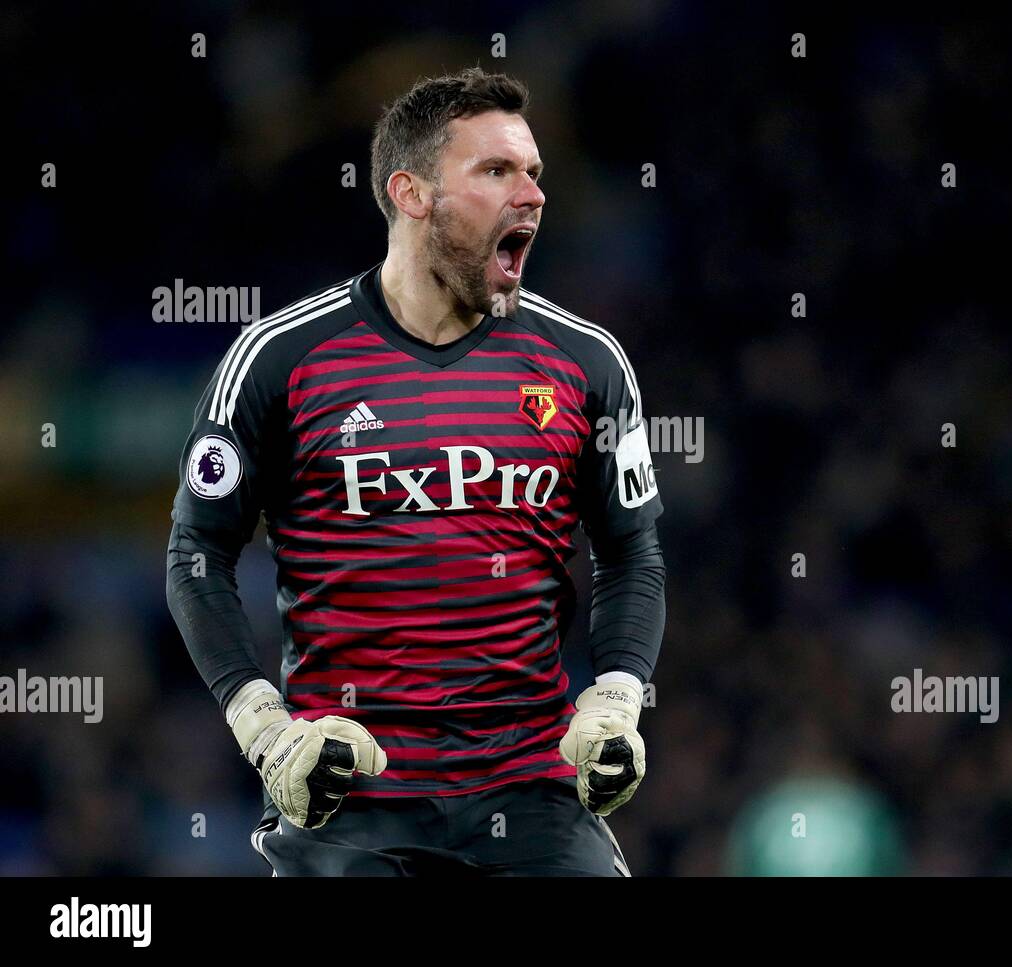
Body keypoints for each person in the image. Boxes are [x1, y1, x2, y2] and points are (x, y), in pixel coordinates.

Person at [165, 67, 665, 876]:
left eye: (534, 172)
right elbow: (196, 554)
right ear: (412, 192)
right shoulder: (281, 360)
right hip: (350, 791)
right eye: (497, 170)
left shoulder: (586, 363)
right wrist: (264, 727)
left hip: (532, 789)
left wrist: (616, 695)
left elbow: (632, 551)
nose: (532, 194)